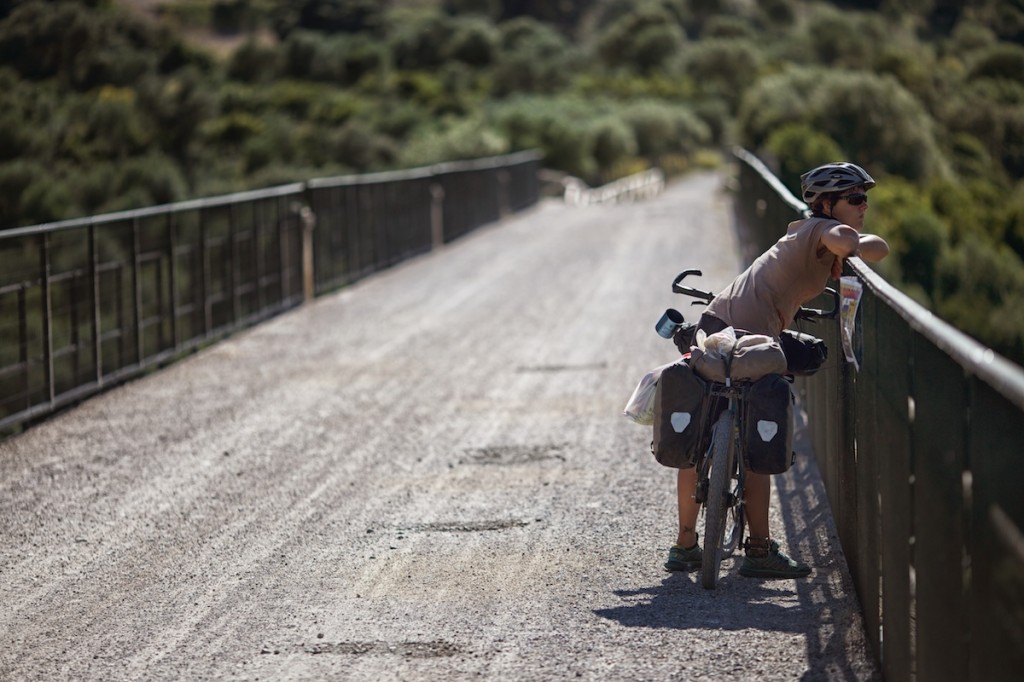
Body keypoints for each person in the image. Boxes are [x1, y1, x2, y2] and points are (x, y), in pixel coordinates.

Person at [665, 161, 890, 578]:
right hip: (752, 341)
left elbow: (849, 248)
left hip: (715, 326)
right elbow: (862, 244)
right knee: (755, 444)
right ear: (826, 204)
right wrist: (857, 242)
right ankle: (759, 551)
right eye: (856, 199)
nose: (864, 206)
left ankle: (685, 546)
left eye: (865, 199)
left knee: (702, 432)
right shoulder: (821, 230)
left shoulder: (800, 233)